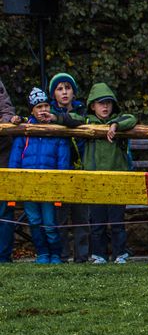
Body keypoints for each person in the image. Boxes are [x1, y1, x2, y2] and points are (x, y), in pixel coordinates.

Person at [53, 83, 138, 265]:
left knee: (117, 221)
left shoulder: (120, 120)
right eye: (100, 103)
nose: (105, 107)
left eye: (108, 103)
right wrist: (52, 116)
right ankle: (99, 254)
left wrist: (115, 125)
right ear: (92, 106)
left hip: (117, 179)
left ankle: (120, 253)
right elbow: (67, 118)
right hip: (94, 180)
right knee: (97, 221)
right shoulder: (87, 122)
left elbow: (132, 118)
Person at [8, 87, 70, 264]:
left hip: (50, 185)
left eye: (45, 106)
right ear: (32, 110)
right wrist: (15, 182)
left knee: (50, 222)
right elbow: (15, 159)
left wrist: (60, 182)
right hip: (28, 184)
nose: (43, 110)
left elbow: (63, 160)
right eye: (38, 107)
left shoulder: (57, 130)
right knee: (34, 221)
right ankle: (42, 253)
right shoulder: (25, 131)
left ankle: (55, 254)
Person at [48, 72, 91, 263]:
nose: (64, 92)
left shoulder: (83, 111)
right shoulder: (46, 113)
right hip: (59, 169)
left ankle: (82, 256)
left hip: (81, 168)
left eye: (68, 88)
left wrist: (59, 119)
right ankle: (62, 255)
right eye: (59, 89)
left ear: (74, 92)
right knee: (60, 216)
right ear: (53, 94)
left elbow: (78, 120)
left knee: (82, 216)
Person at [0, 77, 22, 263]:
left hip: (2, 156)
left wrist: (5, 121)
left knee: (4, 210)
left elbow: (7, 111)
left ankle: (3, 256)